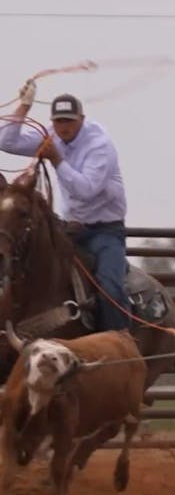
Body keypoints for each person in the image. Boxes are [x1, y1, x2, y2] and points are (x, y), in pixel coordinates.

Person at [0, 79, 131, 331]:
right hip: (69, 229)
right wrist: (24, 107)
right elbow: (6, 141)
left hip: (105, 232)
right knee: (29, 269)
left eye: (69, 121)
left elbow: (86, 191)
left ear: (81, 119)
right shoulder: (52, 135)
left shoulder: (99, 146)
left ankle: (121, 339)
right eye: (59, 121)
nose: (63, 127)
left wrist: (57, 159)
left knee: (109, 286)